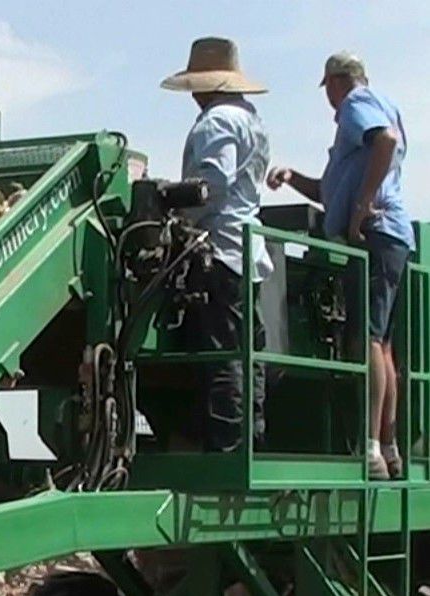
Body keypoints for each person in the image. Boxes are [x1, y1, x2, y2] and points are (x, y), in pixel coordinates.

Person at [268, 52, 414, 479]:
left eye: (327, 89)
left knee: (368, 337)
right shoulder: (384, 104)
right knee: (383, 343)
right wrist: (294, 177)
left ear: (336, 82)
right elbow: (334, 189)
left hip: (375, 231)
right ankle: (388, 448)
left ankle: (370, 448)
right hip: (392, 233)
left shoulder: (355, 106)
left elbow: (384, 141)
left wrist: (362, 207)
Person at [162, 37, 273, 453]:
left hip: (220, 248)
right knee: (248, 351)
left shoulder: (216, 122)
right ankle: (251, 438)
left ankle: (226, 445)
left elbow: (211, 184)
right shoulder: (251, 118)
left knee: (221, 354)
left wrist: (172, 211)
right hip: (248, 247)